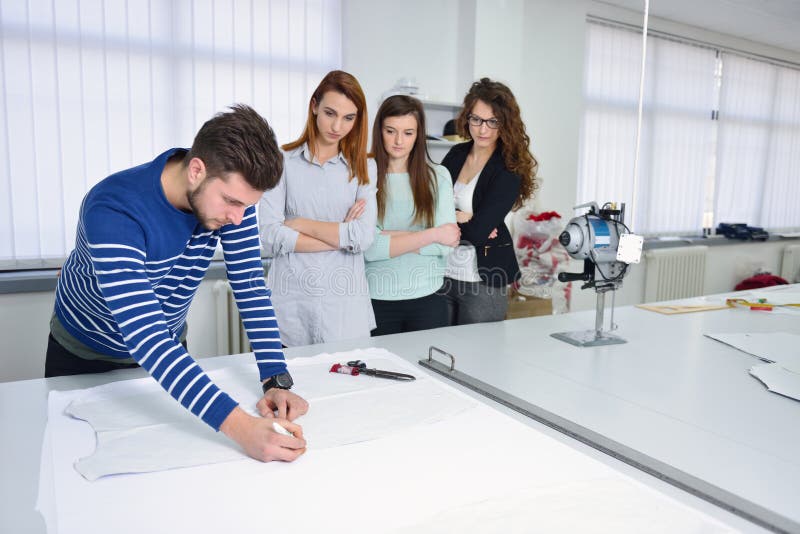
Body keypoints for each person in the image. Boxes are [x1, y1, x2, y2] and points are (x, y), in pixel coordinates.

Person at [47, 105, 308, 463]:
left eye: (247, 206)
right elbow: (145, 336)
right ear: (197, 170)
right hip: (85, 350)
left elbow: (249, 284)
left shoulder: (235, 205)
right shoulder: (113, 206)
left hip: (168, 343)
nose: (238, 218)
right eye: (232, 202)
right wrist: (242, 427)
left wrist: (275, 377)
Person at [259, 70, 377, 346]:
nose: (337, 126)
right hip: (292, 306)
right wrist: (340, 236)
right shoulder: (282, 161)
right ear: (314, 106)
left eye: (349, 118)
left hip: (345, 310)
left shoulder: (365, 168)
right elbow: (270, 235)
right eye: (330, 113)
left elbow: (362, 237)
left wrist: (299, 224)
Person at [441, 78, 539, 325]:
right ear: (467, 118)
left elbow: (477, 233)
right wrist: (462, 216)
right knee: (439, 353)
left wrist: (456, 220)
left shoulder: (508, 169)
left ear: (505, 123)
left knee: (478, 357)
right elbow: (429, 208)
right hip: (442, 273)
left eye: (492, 121)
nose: (482, 129)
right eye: (476, 119)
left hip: (484, 281)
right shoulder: (456, 154)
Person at [364, 95, 459, 335]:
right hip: (375, 299)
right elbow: (368, 248)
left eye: (408, 133)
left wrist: (388, 236)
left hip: (429, 298)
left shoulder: (438, 176)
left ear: (418, 135)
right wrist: (433, 234)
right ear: (379, 131)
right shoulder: (363, 175)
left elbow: (446, 246)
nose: (398, 141)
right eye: (390, 131)